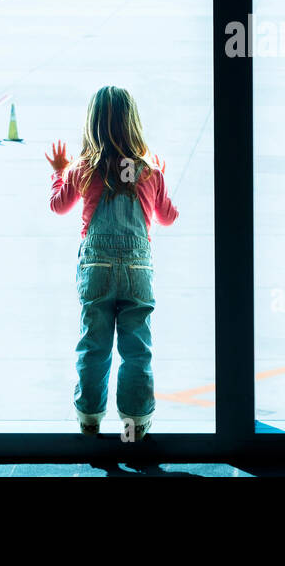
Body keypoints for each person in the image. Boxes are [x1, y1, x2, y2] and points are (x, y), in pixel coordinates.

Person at [46, 86, 178, 439]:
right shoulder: (150, 173)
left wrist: (59, 172)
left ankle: (89, 417)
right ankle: (135, 423)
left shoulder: (82, 171)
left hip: (97, 270)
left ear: (93, 125)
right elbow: (168, 217)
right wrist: (161, 180)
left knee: (94, 344)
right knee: (136, 349)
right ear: (132, 124)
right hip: (137, 272)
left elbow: (58, 206)